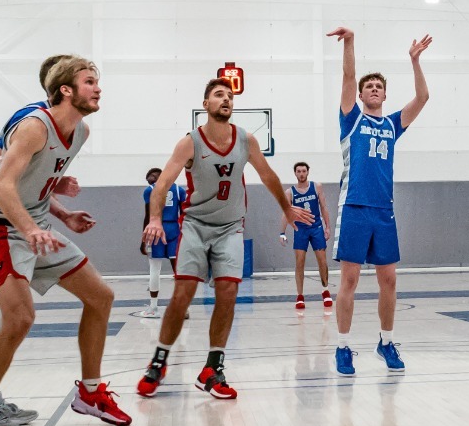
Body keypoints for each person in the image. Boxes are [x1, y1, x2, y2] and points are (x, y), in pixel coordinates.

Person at [0, 55, 130, 426]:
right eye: (90, 81)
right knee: (17, 317)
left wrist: (63, 213)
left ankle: (90, 393)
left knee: (101, 297)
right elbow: (2, 185)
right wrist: (31, 228)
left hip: (37, 226)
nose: (98, 87)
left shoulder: (80, 131)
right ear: (66, 90)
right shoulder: (34, 126)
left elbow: (33, 182)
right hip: (2, 226)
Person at [138, 78, 311, 401]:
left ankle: (213, 368)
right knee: (182, 294)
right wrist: (156, 218)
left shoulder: (246, 140)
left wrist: (287, 209)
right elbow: (162, 184)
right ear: (205, 104)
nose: (226, 99)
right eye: (219, 95)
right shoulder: (190, 142)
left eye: (230, 96)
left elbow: (268, 175)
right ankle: (159, 360)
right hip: (195, 225)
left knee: (229, 292)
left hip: (231, 227)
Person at [328, 26, 432, 376]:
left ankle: (386, 341)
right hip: (354, 208)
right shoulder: (351, 119)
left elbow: (422, 99)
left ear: (385, 94)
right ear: (359, 95)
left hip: (383, 212)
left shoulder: (391, 124)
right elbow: (348, 74)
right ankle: (342, 347)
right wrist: (352, 41)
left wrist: (415, 62)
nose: (373, 89)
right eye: (368, 87)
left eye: (379, 86)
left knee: (389, 281)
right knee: (350, 282)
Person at [285, 161, 332, 309]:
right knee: (300, 263)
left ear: (308, 172)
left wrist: (327, 227)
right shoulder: (290, 192)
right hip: (301, 230)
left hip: (316, 227)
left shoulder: (316, 187)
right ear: (295, 173)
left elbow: (323, 207)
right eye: (298, 171)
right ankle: (300, 296)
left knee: (322, 261)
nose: (301, 174)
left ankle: (325, 291)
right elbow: (286, 212)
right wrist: (286, 228)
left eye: (303, 171)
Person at [139, 166, 185, 305]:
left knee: (154, 269)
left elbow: (148, 216)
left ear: (159, 175)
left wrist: (143, 241)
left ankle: (153, 308)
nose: (150, 178)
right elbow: (184, 215)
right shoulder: (179, 190)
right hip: (174, 228)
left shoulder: (150, 190)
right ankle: (183, 308)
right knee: (178, 270)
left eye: (151, 175)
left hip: (156, 228)